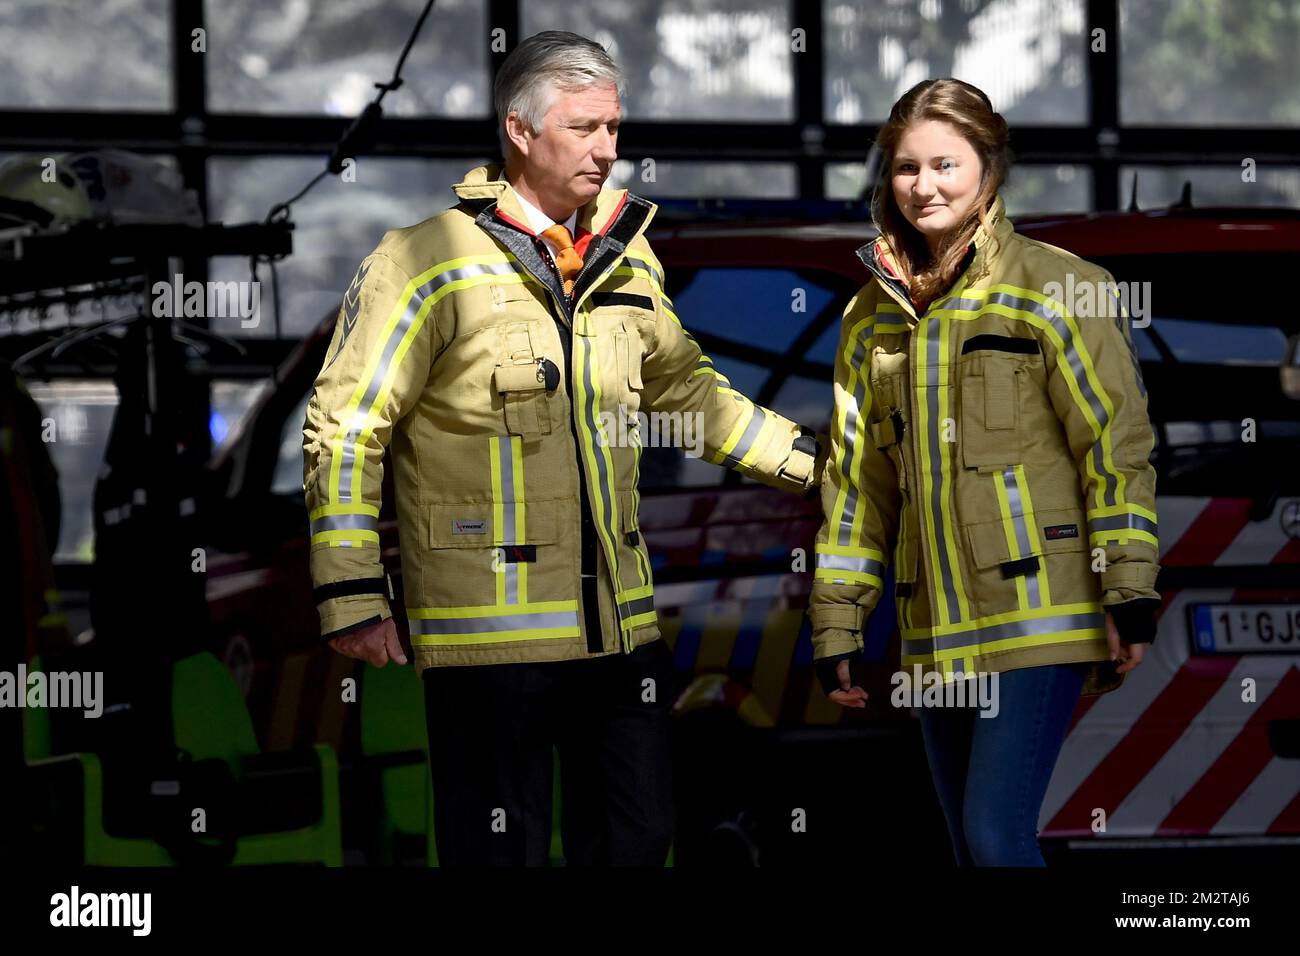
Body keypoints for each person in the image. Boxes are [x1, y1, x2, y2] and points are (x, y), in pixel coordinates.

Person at [302, 31, 824, 866]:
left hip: (618, 636)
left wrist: (821, 472)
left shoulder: (625, 256)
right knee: (499, 853)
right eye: (584, 128)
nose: (608, 148)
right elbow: (347, 423)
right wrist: (352, 590)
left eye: (613, 128)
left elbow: (692, 399)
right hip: (487, 644)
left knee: (640, 837)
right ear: (519, 129)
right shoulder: (423, 261)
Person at [808, 78, 1160, 866]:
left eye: (945, 164)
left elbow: (1114, 448)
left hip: (1042, 613)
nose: (923, 186)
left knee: (995, 838)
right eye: (905, 167)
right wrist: (838, 620)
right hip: (934, 628)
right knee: (968, 849)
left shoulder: (1058, 287)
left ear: (989, 169)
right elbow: (859, 485)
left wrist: (1128, 590)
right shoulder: (871, 316)